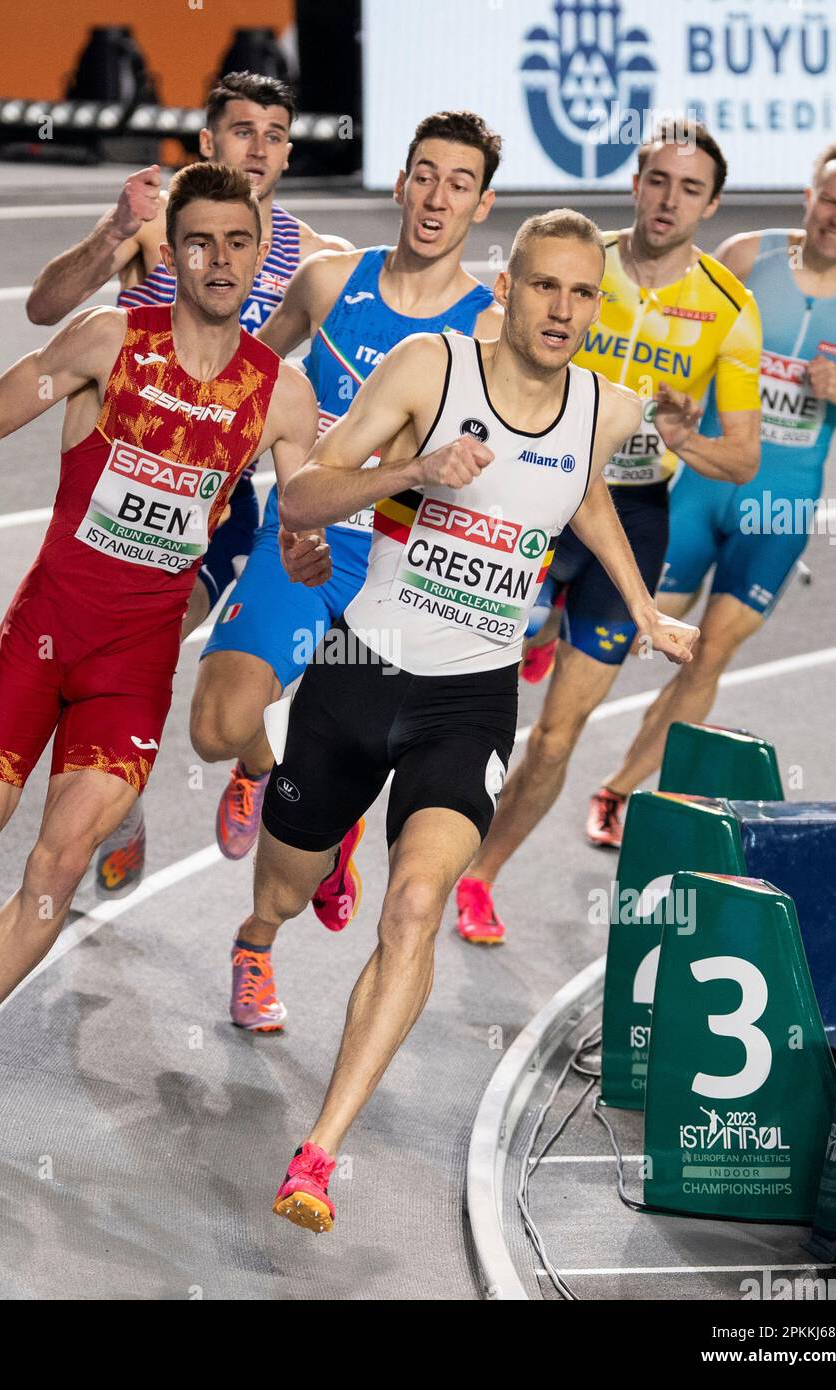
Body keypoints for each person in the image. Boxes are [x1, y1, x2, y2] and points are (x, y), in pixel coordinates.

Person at [242, 211, 698, 1231]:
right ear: (507, 287)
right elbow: (305, 487)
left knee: (413, 907)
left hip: (471, 696)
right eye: (546, 287)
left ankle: (315, 1157)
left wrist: (638, 605)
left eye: (582, 294)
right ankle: (266, 922)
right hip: (360, 668)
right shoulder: (426, 366)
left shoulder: (605, 407)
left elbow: (578, 495)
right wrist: (410, 473)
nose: (563, 310)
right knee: (288, 877)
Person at [0, 163, 327, 1130]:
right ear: (171, 255)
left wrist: (303, 547)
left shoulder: (278, 398)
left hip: (132, 673)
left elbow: (299, 505)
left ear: (261, 257)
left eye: (237, 243)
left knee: (56, 866)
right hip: (39, 642)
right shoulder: (107, 344)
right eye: (199, 242)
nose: (219, 260)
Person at [192, 110, 505, 1030]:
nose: (436, 196)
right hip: (303, 543)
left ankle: (257, 944)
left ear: (480, 205)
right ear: (401, 182)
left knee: (303, 858)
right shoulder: (330, 281)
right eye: (423, 174)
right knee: (218, 726)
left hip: (395, 580)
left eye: (458, 182)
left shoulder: (486, 329)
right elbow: (255, 369)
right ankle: (257, 769)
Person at [26, 71, 351, 899]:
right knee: (92, 662)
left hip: (223, 504)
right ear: (206, 143)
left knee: (129, 658)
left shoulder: (315, 261)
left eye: (275, 134)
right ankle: (129, 809)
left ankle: (226, 769)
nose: (259, 148)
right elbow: (43, 307)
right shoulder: (159, 230)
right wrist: (110, 233)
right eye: (242, 131)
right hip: (113, 489)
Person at [454, 119, 763, 943]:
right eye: (657, 181)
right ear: (634, 183)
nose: (669, 200)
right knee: (453, 683)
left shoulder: (729, 312)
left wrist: (683, 437)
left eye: (689, 188)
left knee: (556, 737)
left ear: (712, 202)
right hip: (529, 488)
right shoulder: (574, 264)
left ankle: (480, 876)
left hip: (630, 514)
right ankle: (534, 623)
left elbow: (740, 458)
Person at [595, 140, 836, 829]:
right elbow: (673, 333)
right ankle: (553, 638)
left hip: (780, 506)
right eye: (828, 200)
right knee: (623, 619)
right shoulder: (745, 257)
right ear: (806, 196)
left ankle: (616, 791)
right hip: (702, 483)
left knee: (708, 650)